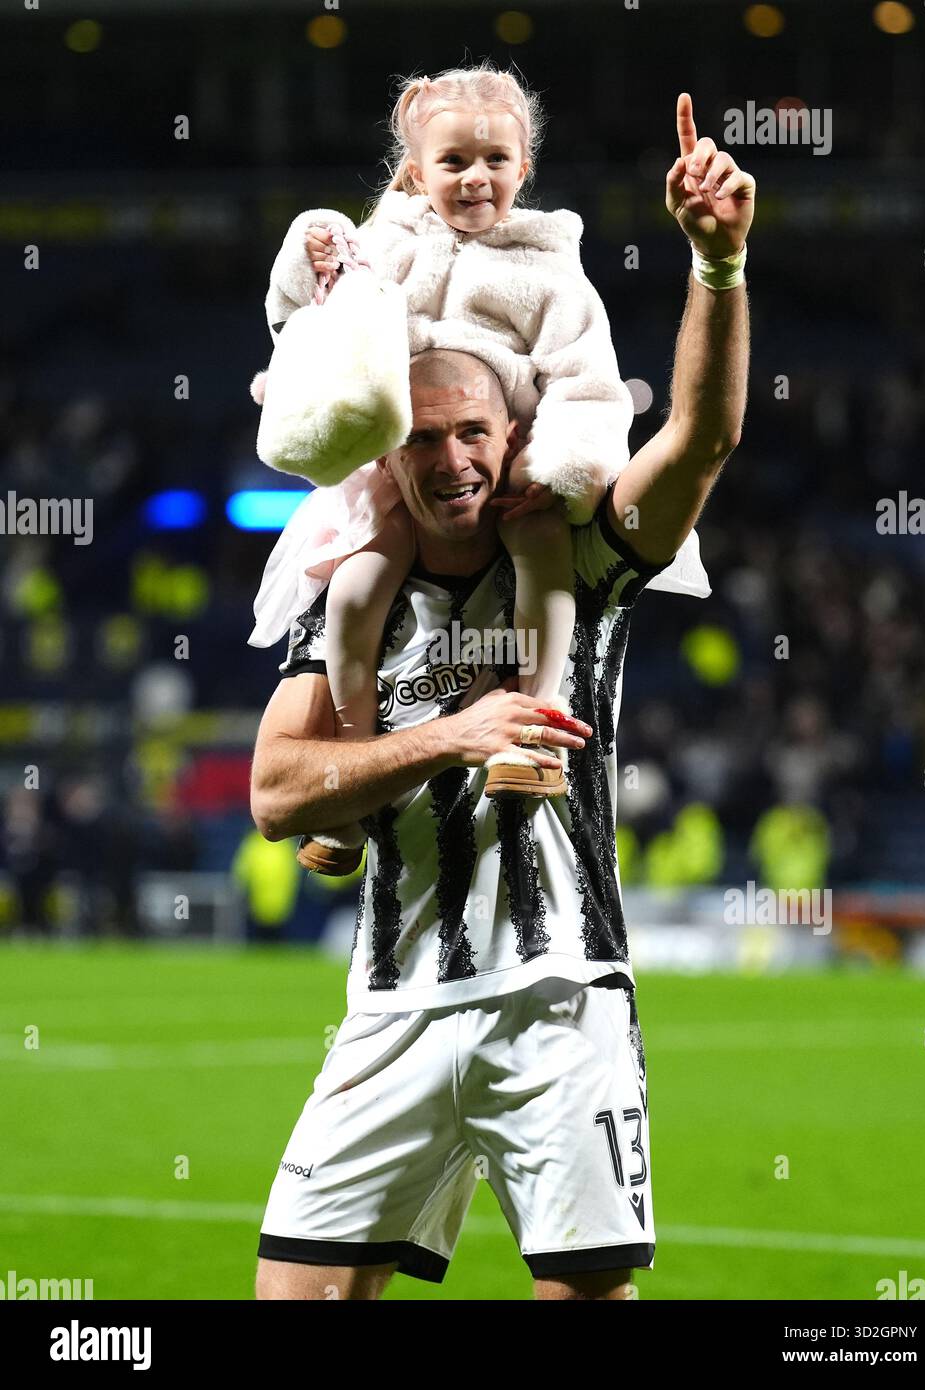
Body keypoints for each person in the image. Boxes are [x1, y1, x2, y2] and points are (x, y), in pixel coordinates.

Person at [249, 93, 754, 1301]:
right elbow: (277, 791)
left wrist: (718, 265)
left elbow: (698, 440)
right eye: (421, 440)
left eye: (472, 431)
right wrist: (448, 737)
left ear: (512, 427)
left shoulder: (577, 554)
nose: (452, 459)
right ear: (385, 451)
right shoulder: (344, 588)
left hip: (557, 1004)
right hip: (389, 1008)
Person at [250, 63, 636, 869]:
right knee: (354, 588)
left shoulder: (551, 269)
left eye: (496, 160)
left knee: (542, 556)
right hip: (395, 470)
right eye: (453, 161)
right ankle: (348, 792)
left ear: (524, 168)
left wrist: (554, 470)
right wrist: (313, 254)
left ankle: (531, 729)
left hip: (511, 467)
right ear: (415, 172)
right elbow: (311, 320)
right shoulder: (387, 245)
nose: (475, 178)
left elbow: (589, 382)